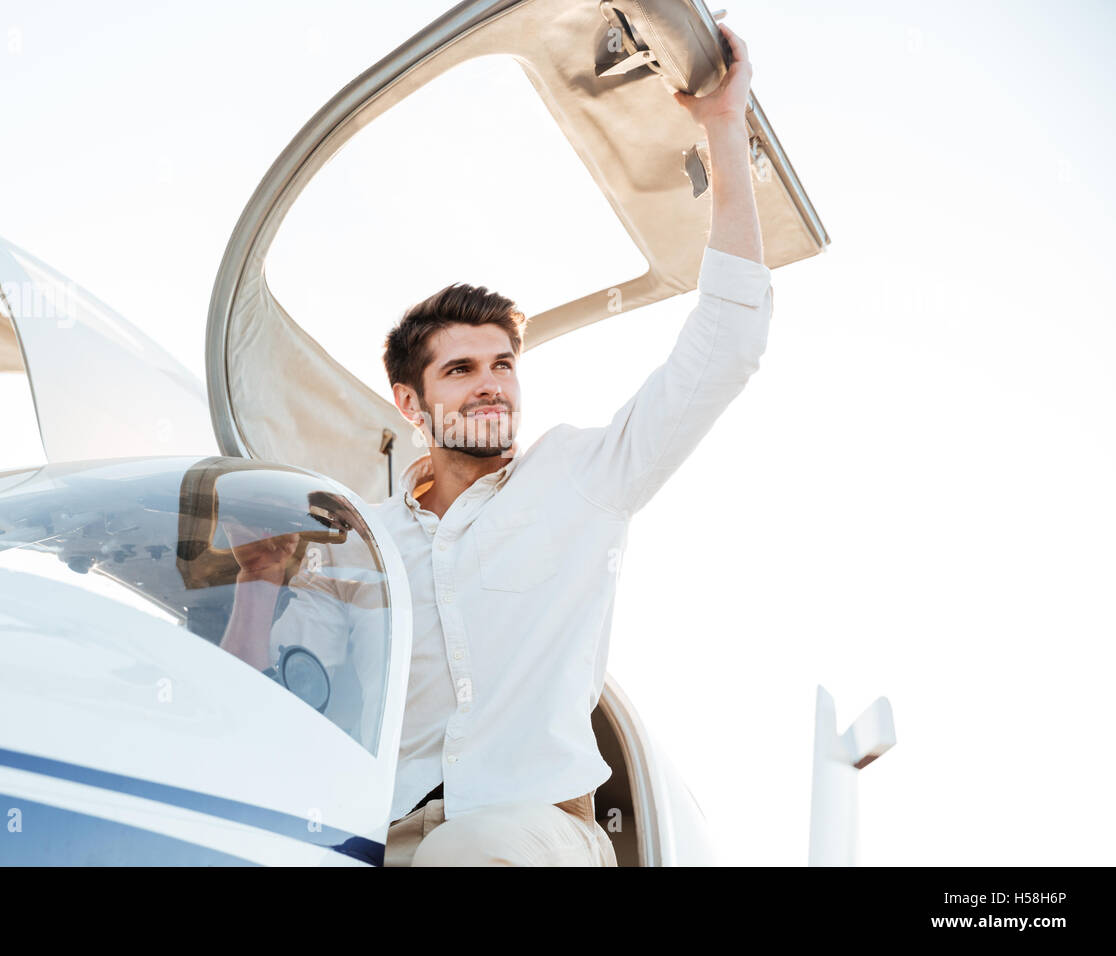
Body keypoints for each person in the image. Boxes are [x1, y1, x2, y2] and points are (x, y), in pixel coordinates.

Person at [227, 22, 772, 866]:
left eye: (502, 366)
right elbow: (280, 707)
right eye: (461, 370)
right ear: (411, 401)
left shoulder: (583, 478)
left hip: (535, 836)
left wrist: (725, 131)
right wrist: (258, 586)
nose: (491, 383)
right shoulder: (362, 543)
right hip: (383, 836)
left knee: (470, 851)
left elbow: (727, 344)